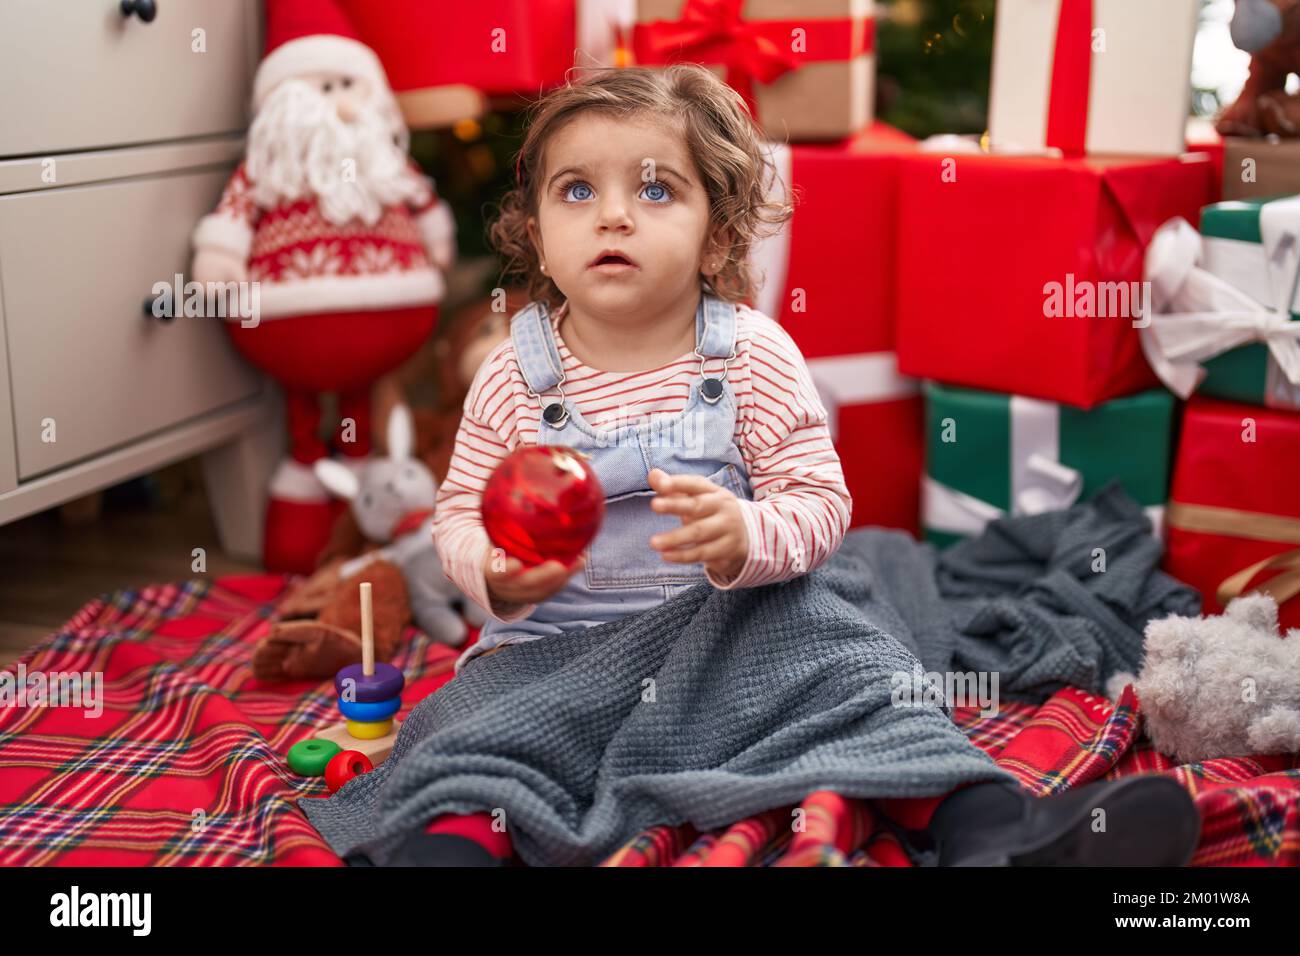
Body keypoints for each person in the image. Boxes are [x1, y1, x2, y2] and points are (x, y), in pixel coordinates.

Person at [378, 63, 1200, 867]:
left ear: (719, 235)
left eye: (657, 189)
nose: (614, 217)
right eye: (577, 191)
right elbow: (459, 512)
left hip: (728, 638)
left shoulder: (748, 355)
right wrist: (492, 570)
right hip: (557, 650)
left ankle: (994, 830)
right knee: (472, 732)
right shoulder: (513, 374)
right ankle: (446, 850)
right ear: (536, 235)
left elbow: (816, 498)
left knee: (858, 668)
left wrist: (748, 535)